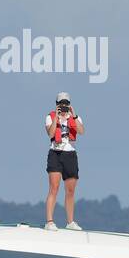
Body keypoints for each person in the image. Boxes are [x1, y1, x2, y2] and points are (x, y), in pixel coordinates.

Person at [45, 91, 84, 231]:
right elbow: (50, 133)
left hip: (70, 154)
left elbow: (81, 131)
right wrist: (57, 117)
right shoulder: (50, 117)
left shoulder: (75, 117)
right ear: (56, 104)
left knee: (70, 190)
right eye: (61, 103)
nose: (64, 105)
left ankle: (70, 222)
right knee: (54, 188)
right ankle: (49, 221)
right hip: (55, 153)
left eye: (66, 103)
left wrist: (73, 115)